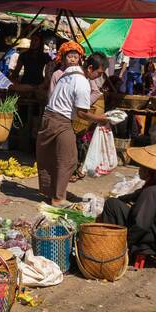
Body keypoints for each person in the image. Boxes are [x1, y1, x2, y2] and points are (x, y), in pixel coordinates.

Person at [36, 45, 110, 207]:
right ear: (90, 68)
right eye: (98, 73)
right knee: (69, 160)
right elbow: (82, 113)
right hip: (59, 120)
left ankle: (55, 191)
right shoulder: (82, 83)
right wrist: (100, 119)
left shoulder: (71, 70)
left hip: (50, 117)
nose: (98, 77)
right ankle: (57, 198)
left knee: (54, 157)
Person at [100, 144, 156, 257]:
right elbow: (137, 195)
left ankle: (108, 244)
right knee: (115, 202)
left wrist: (124, 243)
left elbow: (141, 225)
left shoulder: (152, 192)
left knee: (111, 204)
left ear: (152, 171)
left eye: (142, 167)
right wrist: (121, 198)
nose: (139, 169)